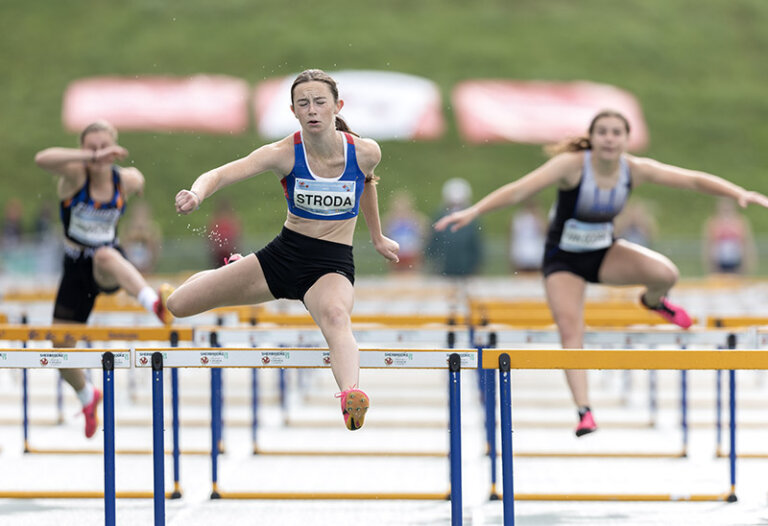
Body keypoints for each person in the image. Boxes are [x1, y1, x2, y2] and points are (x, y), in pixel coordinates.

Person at [435, 109, 768, 437]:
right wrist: (475, 210)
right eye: (603, 132)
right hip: (563, 260)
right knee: (570, 330)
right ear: (592, 139)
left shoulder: (635, 170)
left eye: (616, 132)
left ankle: (653, 303)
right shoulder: (571, 166)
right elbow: (522, 189)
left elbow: (692, 179)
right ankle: (584, 410)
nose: (609, 139)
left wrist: (737, 192)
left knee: (666, 273)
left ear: (626, 139)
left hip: (604, 253)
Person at [167, 69, 400, 431]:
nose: (312, 110)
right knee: (177, 305)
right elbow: (221, 174)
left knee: (337, 319)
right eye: (303, 103)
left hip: (330, 266)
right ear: (293, 111)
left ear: (336, 106)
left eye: (320, 102)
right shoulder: (283, 153)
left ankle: (351, 396)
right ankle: (225, 272)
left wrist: (378, 237)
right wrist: (197, 193)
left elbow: (366, 183)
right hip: (282, 257)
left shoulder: (366, 152)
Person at [34, 120, 174, 439]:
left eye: (104, 146)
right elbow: (42, 159)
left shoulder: (122, 180)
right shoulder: (74, 176)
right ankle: (87, 395)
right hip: (74, 270)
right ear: (81, 149)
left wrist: (131, 178)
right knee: (58, 350)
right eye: (91, 146)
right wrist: (88, 158)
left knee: (104, 254)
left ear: (115, 149)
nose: (98, 153)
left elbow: (138, 178)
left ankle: (154, 303)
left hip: (107, 266)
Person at [426, 178, 484, 278]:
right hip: (444, 267)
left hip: (466, 267)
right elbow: (433, 242)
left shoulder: (472, 220)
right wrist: (435, 261)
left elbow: (476, 244)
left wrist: (475, 264)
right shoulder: (439, 216)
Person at [702, 197, 757, 275]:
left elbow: (747, 243)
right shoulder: (713, 222)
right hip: (719, 261)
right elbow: (708, 244)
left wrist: (748, 262)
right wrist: (710, 265)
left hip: (736, 260)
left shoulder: (740, 221)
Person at [382, 190, 429, 272]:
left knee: (413, 275)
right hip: (396, 255)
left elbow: (425, 233)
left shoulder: (416, 219)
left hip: (412, 254)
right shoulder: (389, 220)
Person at [121, 198, 162, 274]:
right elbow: (124, 245)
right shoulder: (127, 226)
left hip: (147, 266)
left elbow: (156, 246)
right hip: (131, 264)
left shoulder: (153, 227)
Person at [509, 199, 546, 273]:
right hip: (522, 256)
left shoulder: (538, 218)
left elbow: (545, 231)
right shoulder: (518, 218)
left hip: (536, 256)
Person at [207, 197, 243, 268]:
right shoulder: (220, 220)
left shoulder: (228, 219)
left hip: (227, 251)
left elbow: (236, 236)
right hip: (220, 252)